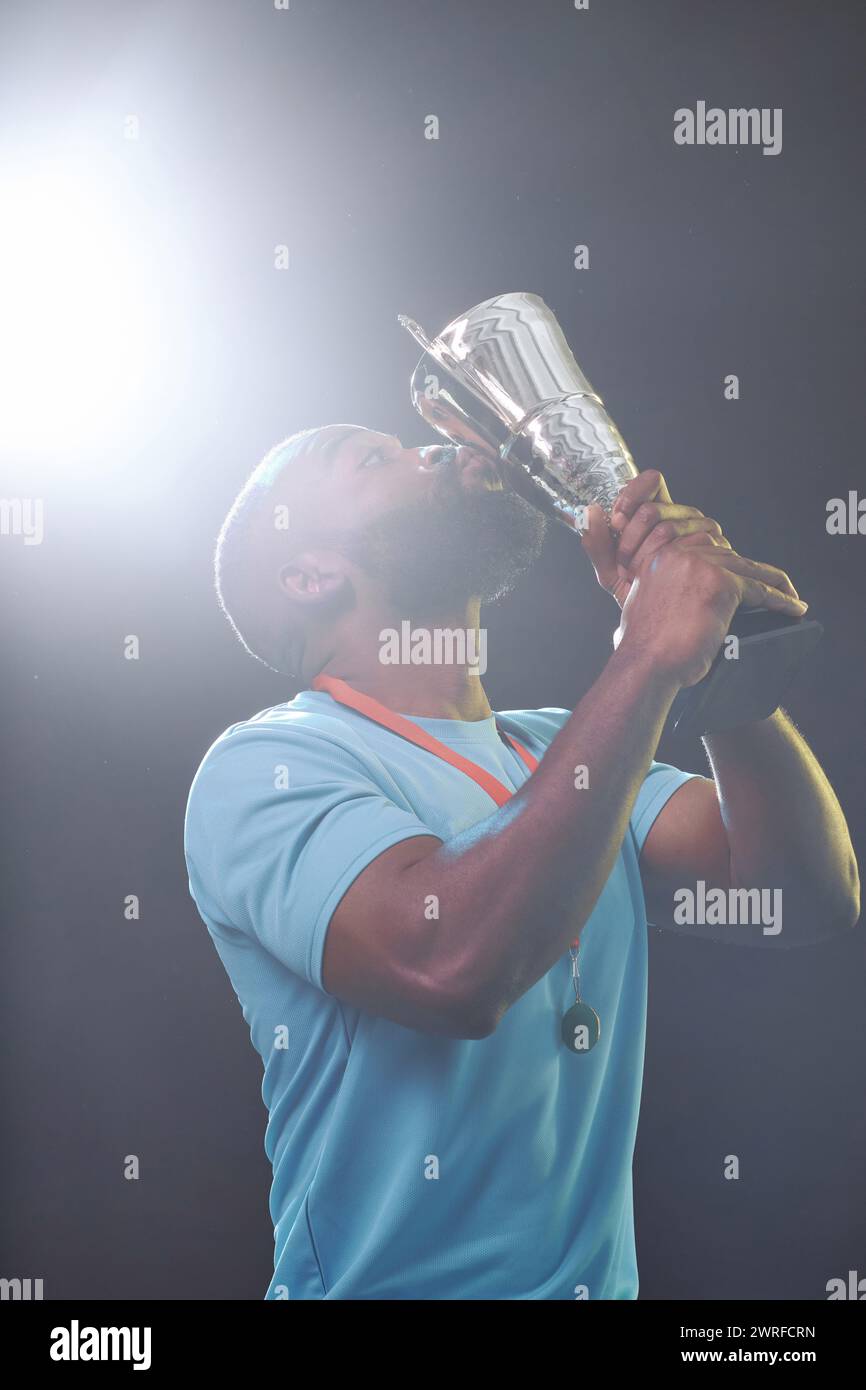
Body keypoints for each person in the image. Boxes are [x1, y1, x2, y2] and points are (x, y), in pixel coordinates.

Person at [183, 422, 858, 1300]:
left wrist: (721, 667)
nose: (430, 450)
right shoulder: (266, 767)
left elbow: (800, 895)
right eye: (372, 459)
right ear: (313, 573)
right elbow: (451, 966)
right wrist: (650, 656)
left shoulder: (559, 751)